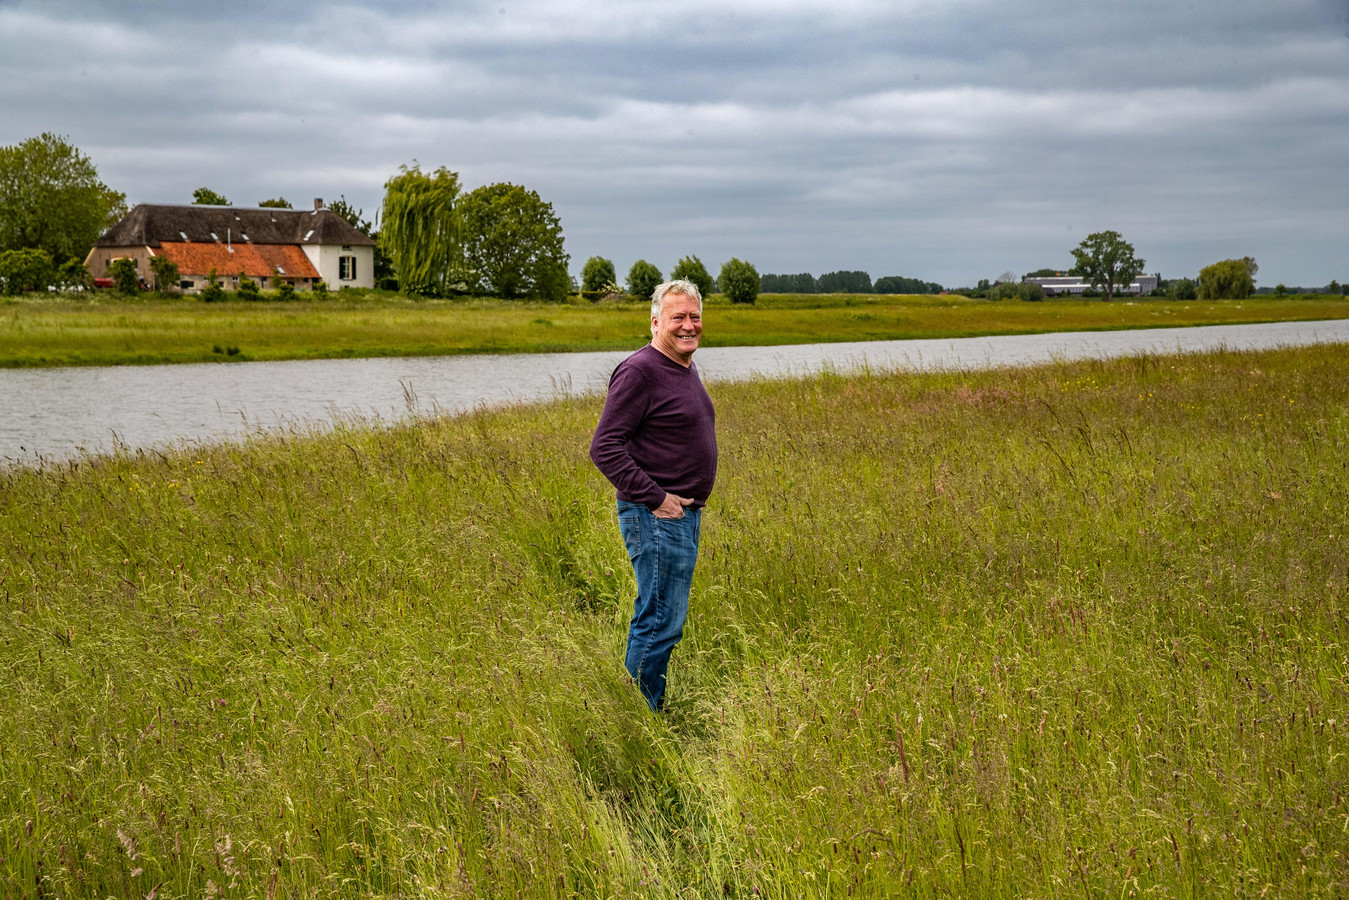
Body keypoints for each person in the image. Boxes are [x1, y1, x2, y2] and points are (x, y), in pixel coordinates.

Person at [590, 279, 717, 712]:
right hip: (656, 516)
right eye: (678, 317)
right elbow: (604, 447)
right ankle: (639, 720)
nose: (688, 325)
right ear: (655, 321)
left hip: (678, 516)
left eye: (694, 316)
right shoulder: (640, 370)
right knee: (660, 622)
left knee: (660, 618)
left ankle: (642, 713)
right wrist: (658, 498)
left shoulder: (683, 365)